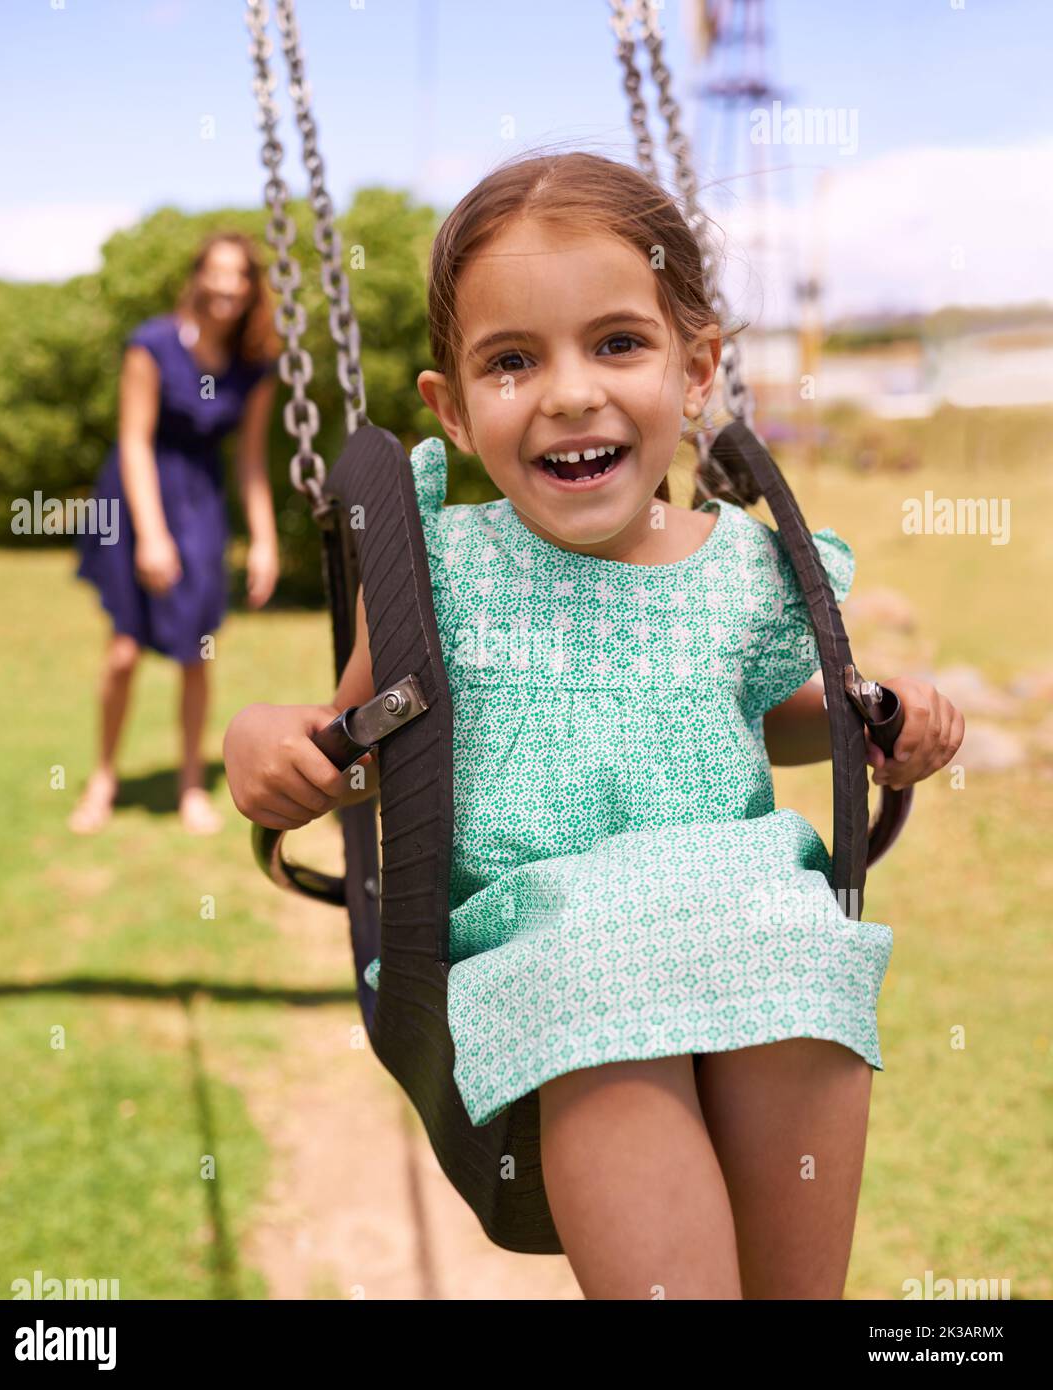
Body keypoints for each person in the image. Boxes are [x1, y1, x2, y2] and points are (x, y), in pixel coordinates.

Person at [221, 152, 964, 1298]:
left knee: (804, 956)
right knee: (602, 997)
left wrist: (879, 720)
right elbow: (346, 732)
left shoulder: (745, 569)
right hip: (556, 936)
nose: (569, 392)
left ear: (696, 366)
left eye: (616, 343)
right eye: (512, 361)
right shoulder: (442, 568)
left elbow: (774, 717)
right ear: (454, 411)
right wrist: (261, 743)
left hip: (743, 905)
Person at [72, 232, 280, 835]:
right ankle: (102, 777)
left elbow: (250, 462)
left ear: (250, 287)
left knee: (196, 651)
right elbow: (133, 440)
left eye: (238, 275)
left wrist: (264, 539)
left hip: (201, 507)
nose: (225, 285)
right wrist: (151, 535)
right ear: (198, 276)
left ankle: (192, 784)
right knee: (123, 650)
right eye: (215, 272)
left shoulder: (254, 365)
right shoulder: (153, 345)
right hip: (135, 497)